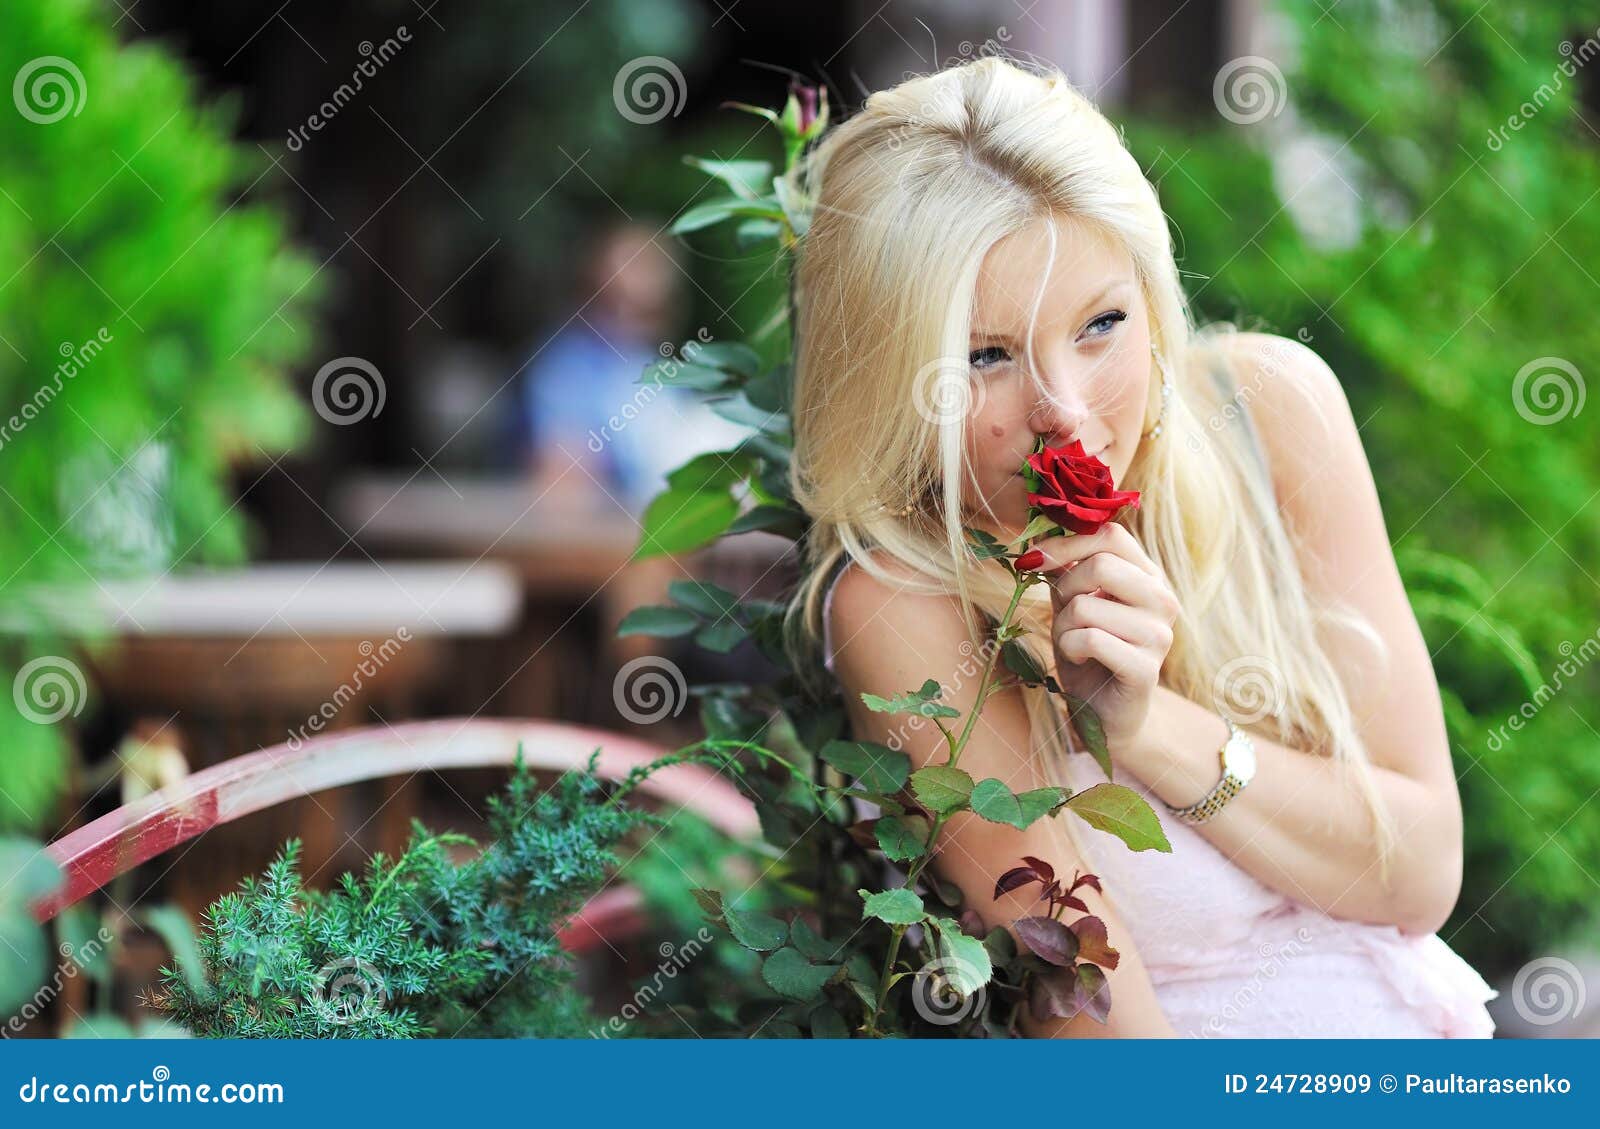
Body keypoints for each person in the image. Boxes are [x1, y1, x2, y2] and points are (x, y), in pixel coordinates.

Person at [789, 57, 1497, 1038]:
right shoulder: (902, 603)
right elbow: (1098, 1030)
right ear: (889, 374)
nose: (1065, 414)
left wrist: (1144, 724)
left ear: (1152, 300)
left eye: (1102, 323)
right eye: (983, 356)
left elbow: (1420, 873)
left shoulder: (1272, 413)